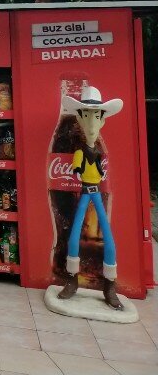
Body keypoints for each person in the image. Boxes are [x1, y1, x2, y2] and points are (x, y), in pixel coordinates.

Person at [56, 85, 123, 310]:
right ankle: (71, 279)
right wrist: (78, 170)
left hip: (96, 192)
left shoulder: (99, 152)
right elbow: (77, 167)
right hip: (85, 191)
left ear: (102, 120)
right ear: (79, 119)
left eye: (97, 117)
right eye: (86, 116)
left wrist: (100, 173)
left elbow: (101, 171)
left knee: (108, 237)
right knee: (75, 233)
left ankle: (109, 284)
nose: (92, 124)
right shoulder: (78, 151)